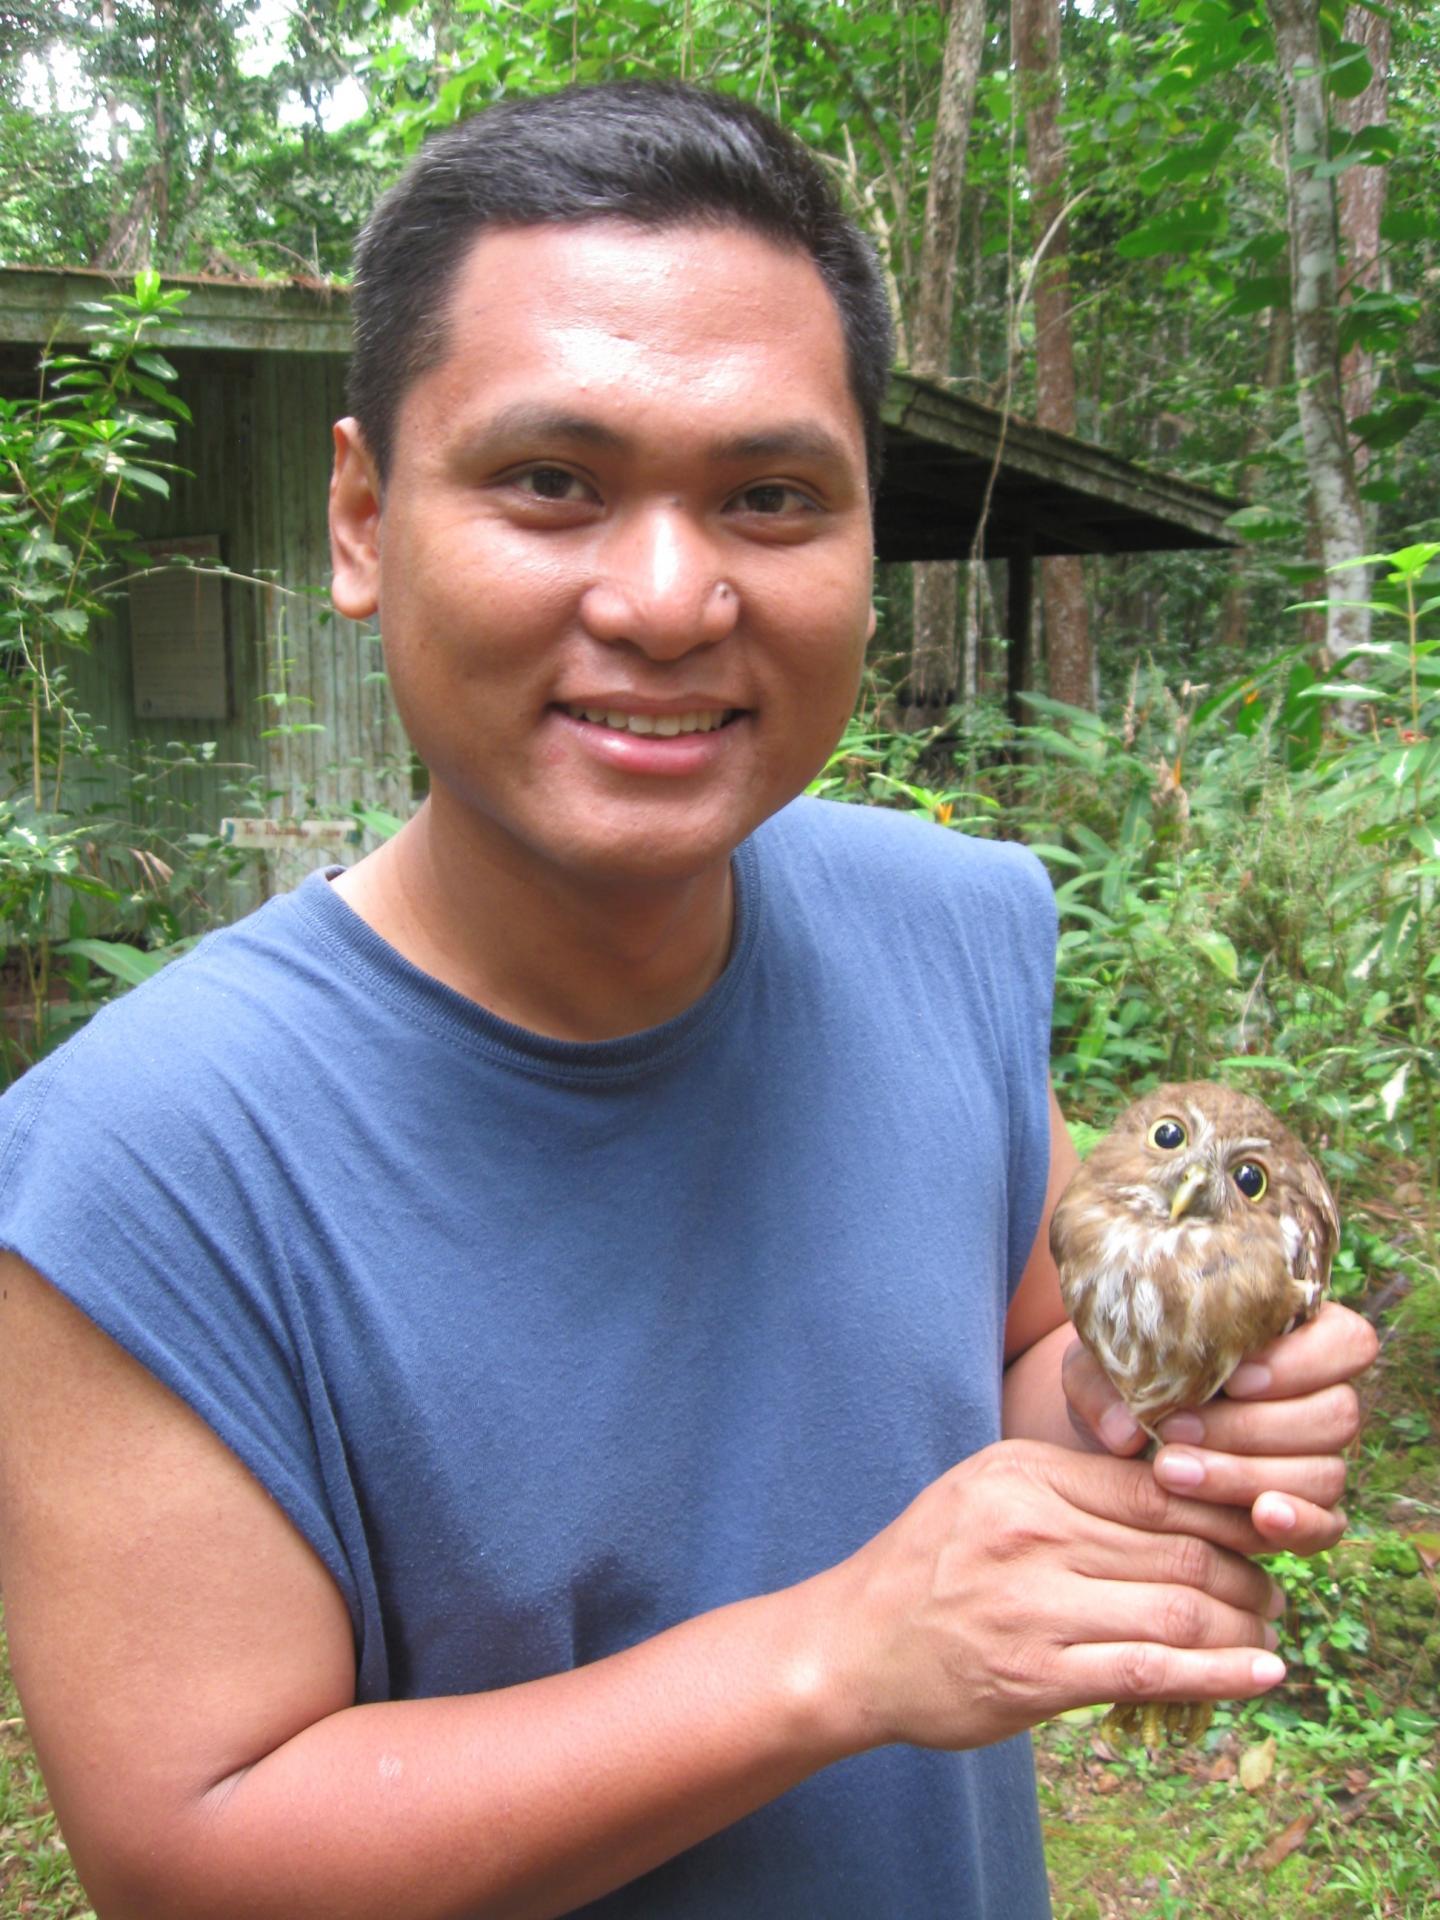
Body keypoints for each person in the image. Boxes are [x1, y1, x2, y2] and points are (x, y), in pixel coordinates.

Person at [0, 82, 1377, 1920]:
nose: (668, 597)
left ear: (864, 546)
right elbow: (193, 1856)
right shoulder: (136, 1165)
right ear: (360, 516)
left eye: (770, 496)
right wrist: (836, 1658)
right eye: (552, 481)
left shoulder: (948, 923)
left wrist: (1184, 1415)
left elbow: (1031, 1359)